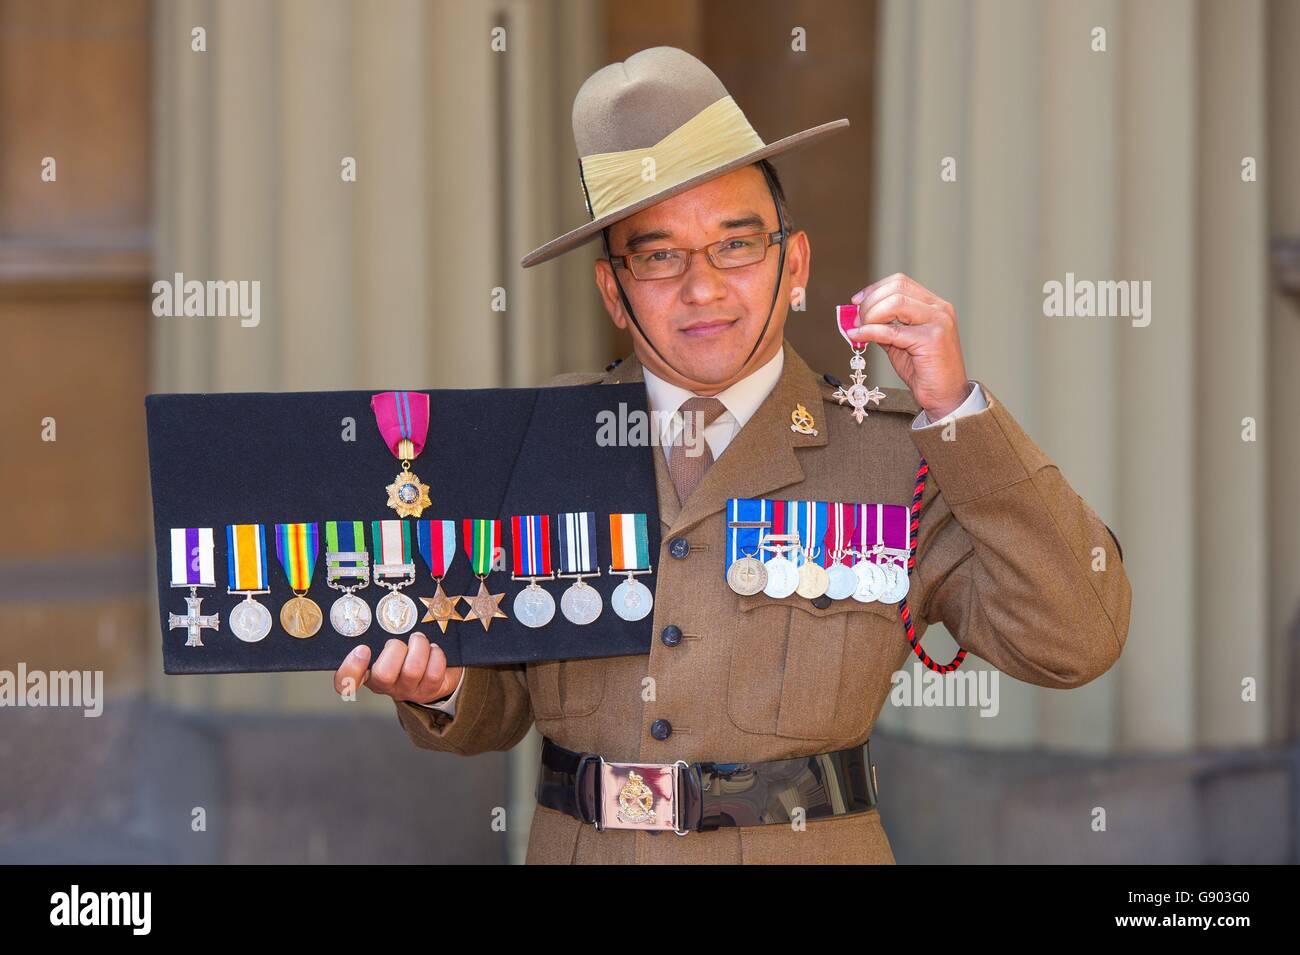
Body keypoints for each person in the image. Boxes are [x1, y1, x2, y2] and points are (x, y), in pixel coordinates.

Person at [332, 46, 1131, 864]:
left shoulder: (895, 459)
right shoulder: (541, 442)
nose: (703, 286)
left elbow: (1074, 639)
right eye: (659, 254)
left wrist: (958, 411)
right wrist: (444, 686)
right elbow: (497, 702)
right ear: (615, 290)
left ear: (796, 265)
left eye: (736, 244)